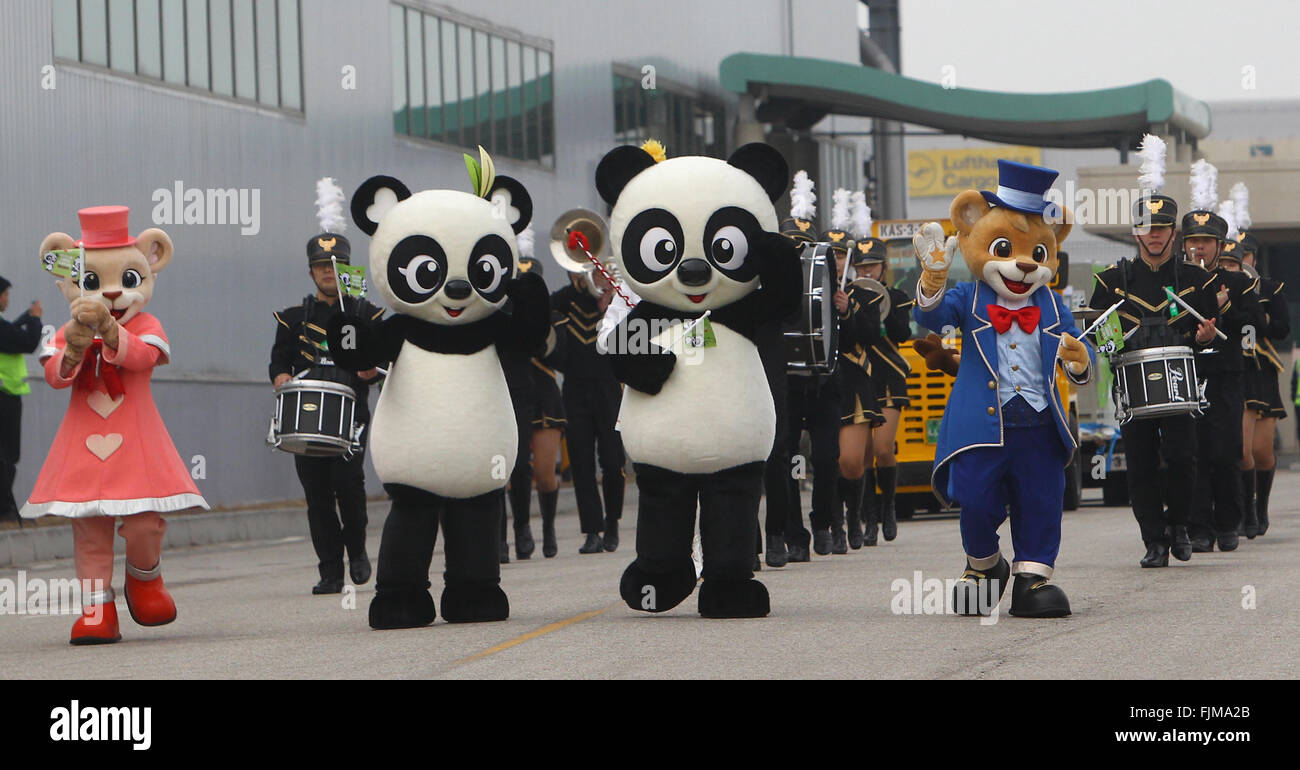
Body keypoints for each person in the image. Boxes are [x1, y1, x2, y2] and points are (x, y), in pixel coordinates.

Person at [1088, 194, 1219, 567]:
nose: (1155, 234)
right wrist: (1108, 337)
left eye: (1162, 228)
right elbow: (1097, 332)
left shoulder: (1195, 279)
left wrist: (1205, 336)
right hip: (1133, 386)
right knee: (1141, 465)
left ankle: (1179, 525)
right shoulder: (1113, 281)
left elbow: (1210, 329)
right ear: (1135, 232)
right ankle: (1154, 540)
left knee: (1182, 458)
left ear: (1173, 232)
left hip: (1180, 382)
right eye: (1147, 227)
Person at [270, 229, 385, 594]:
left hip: (350, 416)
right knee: (317, 495)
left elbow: (384, 362)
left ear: (347, 270)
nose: (327, 273)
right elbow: (277, 364)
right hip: (305, 414)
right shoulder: (292, 318)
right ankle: (330, 571)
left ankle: (358, 553)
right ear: (311, 273)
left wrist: (372, 369)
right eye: (320, 267)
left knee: (349, 486)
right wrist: (281, 376)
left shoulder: (366, 314)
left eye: (334, 267)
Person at [1181, 204, 1262, 553]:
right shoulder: (1177, 280)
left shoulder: (1239, 282)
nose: (1199, 247)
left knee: (1225, 449)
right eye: (1193, 240)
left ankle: (1230, 522)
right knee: (1192, 449)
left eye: (1207, 241)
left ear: (1219, 244)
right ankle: (1199, 527)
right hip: (1188, 372)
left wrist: (1225, 308)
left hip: (1226, 374)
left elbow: (1254, 325)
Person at [551, 265, 625, 553]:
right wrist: (582, 285)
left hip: (608, 387)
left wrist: (612, 299)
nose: (594, 277)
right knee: (581, 463)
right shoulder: (567, 300)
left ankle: (613, 523)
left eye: (597, 272)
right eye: (586, 272)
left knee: (613, 460)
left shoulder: (616, 300)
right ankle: (592, 530)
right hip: (575, 389)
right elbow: (543, 308)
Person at [828, 221, 883, 555]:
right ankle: (832, 522)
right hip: (817, 385)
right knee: (825, 460)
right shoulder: (808, 289)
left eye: (840, 255)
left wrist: (847, 311)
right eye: (831, 255)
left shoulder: (863, 294)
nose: (836, 262)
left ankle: (855, 516)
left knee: (850, 461)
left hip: (853, 382)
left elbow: (871, 336)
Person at [856, 238, 914, 545]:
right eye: (861, 266)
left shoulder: (898, 296)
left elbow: (903, 333)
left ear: (883, 267)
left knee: (882, 448)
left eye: (872, 265)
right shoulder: (847, 297)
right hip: (861, 379)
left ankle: (888, 507)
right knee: (863, 454)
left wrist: (883, 304)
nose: (867, 270)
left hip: (889, 377)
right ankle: (869, 518)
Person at [1238, 233, 1286, 536]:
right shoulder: (1217, 286)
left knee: (1262, 450)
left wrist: (1260, 317)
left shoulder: (1270, 288)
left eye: (1246, 256)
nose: (1241, 263)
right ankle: (1245, 512)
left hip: (1262, 370)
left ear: (1254, 258)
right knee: (1242, 450)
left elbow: (1282, 328)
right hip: (1235, 370)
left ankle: (1261, 507)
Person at [0, 277, 43, 523]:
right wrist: (36, 318)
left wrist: (26, 318)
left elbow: (11, 334)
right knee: (6, 456)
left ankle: (5, 510)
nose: (7, 299)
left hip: (7, 394)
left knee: (5, 456)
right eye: (4, 295)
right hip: (5, 395)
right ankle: (5, 512)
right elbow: (26, 343)